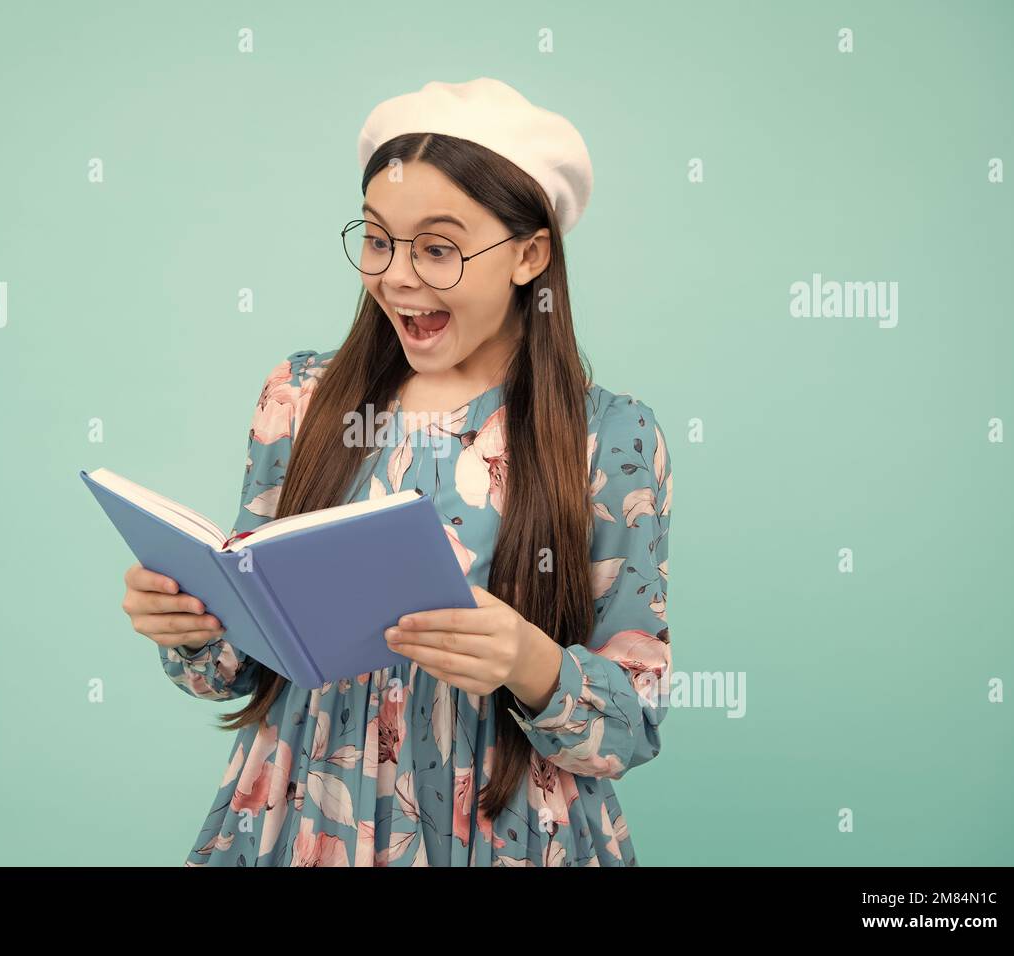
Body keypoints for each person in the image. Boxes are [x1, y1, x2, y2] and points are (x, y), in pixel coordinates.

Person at [120, 77, 674, 866]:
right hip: (305, 816)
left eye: (439, 249)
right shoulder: (302, 399)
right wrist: (193, 624)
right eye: (378, 240)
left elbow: (635, 722)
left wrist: (528, 658)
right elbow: (234, 669)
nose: (399, 276)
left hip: (503, 830)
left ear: (529, 254)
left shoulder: (609, 441)